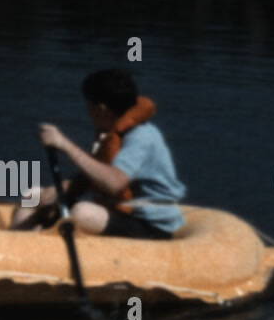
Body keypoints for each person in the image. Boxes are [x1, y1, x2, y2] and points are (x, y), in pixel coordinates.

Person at [11, 69, 186, 238]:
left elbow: (114, 183)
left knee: (82, 213)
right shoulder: (110, 135)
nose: (87, 111)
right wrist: (59, 192)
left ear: (101, 109)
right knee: (33, 196)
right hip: (118, 211)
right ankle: (17, 245)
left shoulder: (142, 137)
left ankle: (40, 242)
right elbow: (91, 177)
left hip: (149, 223)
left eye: (88, 105)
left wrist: (63, 144)